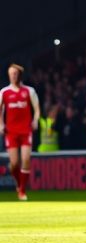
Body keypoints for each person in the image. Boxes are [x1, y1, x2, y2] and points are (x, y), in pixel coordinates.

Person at [0, 64, 40, 200]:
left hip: (25, 131)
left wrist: (35, 120)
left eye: (15, 73)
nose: (13, 76)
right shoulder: (4, 92)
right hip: (11, 132)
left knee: (26, 160)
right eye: (11, 73)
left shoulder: (29, 91)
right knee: (14, 164)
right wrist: (1, 124)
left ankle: (22, 191)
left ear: (19, 75)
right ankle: (19, 183)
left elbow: (37, 109)